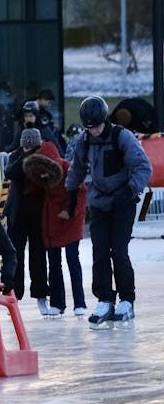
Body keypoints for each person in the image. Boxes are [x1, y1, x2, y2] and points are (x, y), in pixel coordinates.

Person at [65, 96, 153, 326]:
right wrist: (71, 195)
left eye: (96, 126)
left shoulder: (121, 136)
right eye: (89, 127)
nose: (93, 131)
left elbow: (143, 167)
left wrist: (130, 191)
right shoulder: (85, 139)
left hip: (123, 203)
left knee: (119, 251)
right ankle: (104, 299)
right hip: (100, 204)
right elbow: (76, 169)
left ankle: (126, 299)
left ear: (104, 119)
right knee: (99, 252)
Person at [25, 147, 88, 317]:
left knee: (72, 260)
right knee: (53, 264)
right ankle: (57, 303)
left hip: (69, 220)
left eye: (45, 172)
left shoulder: (68, 169)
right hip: (51, 221)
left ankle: (79, 302)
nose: (43, 176)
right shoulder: (39, 174)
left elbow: (81, 193)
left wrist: (69, 210)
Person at [2, 128, 59, 312]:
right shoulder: (15, 157)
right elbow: (10, 172)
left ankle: (41, 295)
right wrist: (27, 159)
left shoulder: (44, 156)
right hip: (17, 214)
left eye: (31, 144)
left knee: (38, 257)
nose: (27, 146)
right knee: (15, 254)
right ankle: (14, 293)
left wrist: (37, 159)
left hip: (38, 213)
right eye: (25, 143)